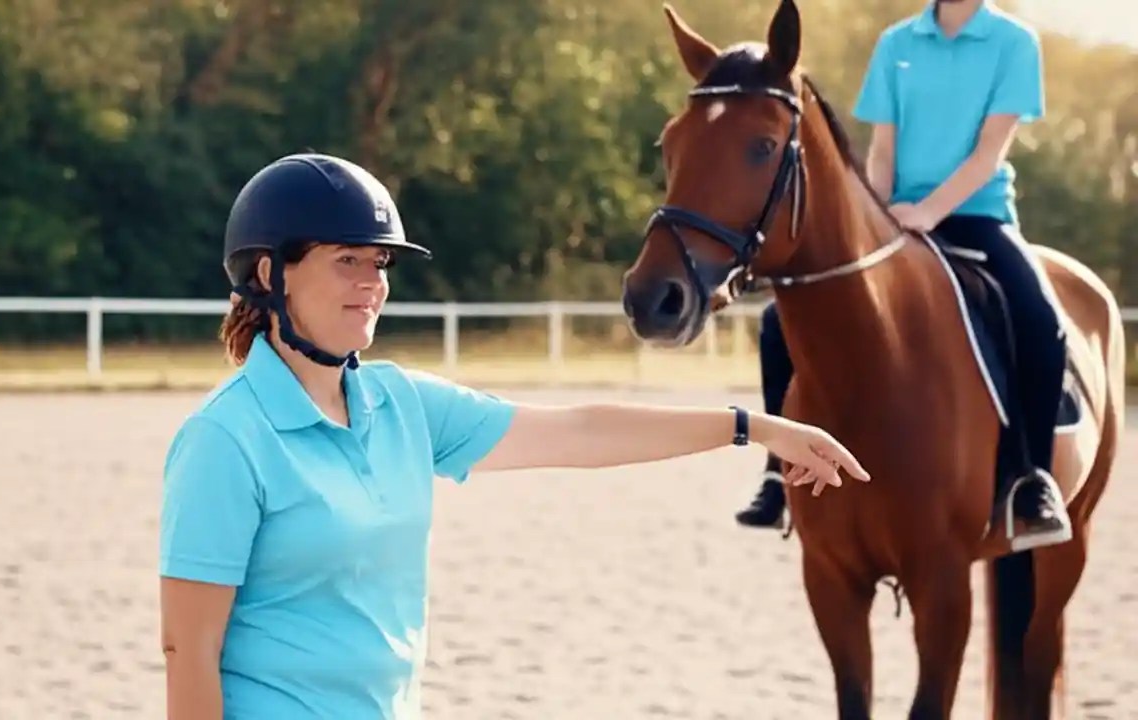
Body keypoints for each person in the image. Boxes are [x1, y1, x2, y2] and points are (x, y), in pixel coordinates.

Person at [157, 152, 872, 719]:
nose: (372, 282)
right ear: (266, 272)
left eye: (379, 264)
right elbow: (188, 649)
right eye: (347, 260)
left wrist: (752, 427)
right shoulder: (227, 440)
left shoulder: (400, 404)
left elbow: (579, 432)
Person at [732, 0, 1070, 551]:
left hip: (977, 215)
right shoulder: (897, 44)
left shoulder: (1014, 42)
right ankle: (777, 472)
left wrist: (930, 213)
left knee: (1041, 320)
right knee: (777, 323)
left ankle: (1032, 481)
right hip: (895, 220)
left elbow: (989, 155)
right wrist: (877, 213)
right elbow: (883, 153)